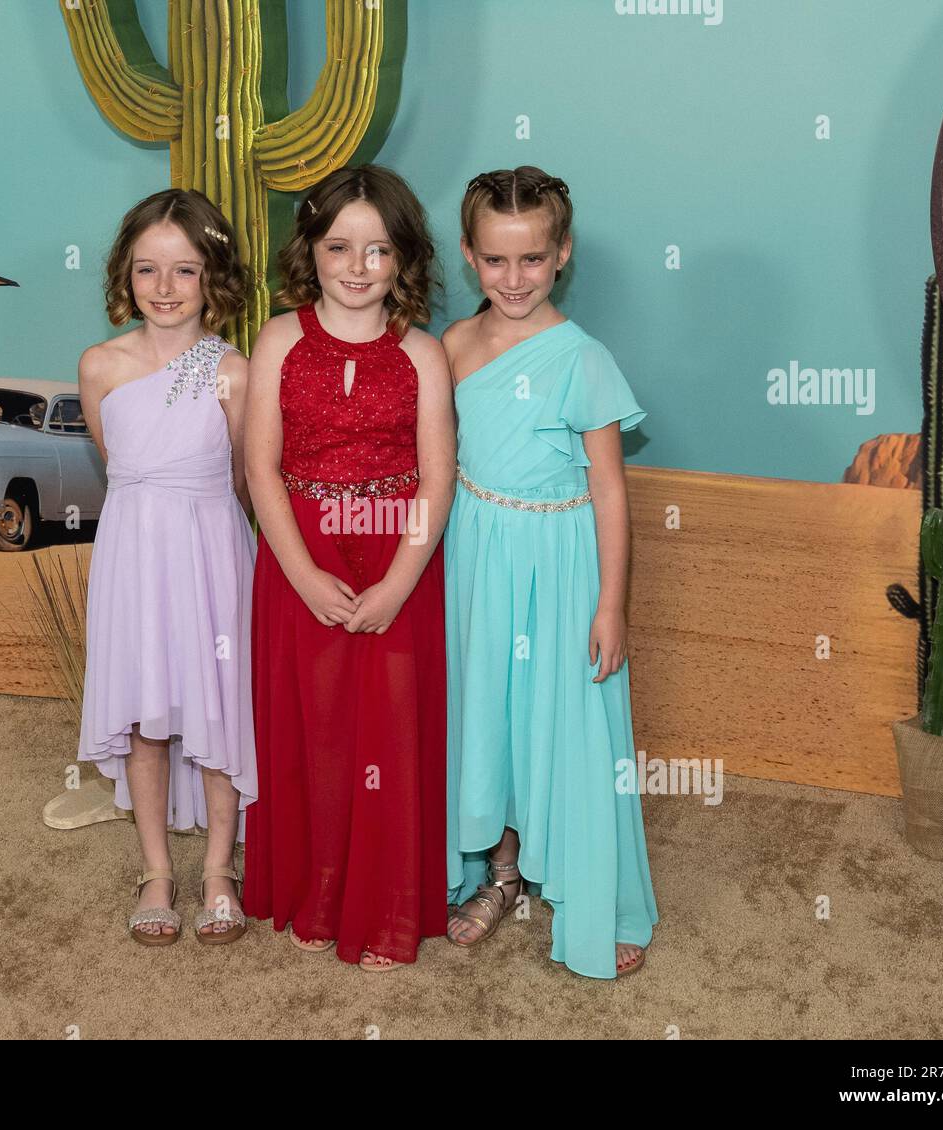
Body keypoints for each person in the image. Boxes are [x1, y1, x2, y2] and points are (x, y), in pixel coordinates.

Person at [443, 166, 659, 978]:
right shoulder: (454, 347)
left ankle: (597, 893)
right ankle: (498, 876)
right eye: (496, 261)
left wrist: (612, 604)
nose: (514, 279)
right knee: (487, 718)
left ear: (561, 254)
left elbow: (610, 487)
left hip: (562, 566)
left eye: (532, 260)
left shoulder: (584, 358)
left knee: (568, 726)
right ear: (469, 255)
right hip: (477, 555)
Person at [242, 165, 456, 971]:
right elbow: (260, 467)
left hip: (401, 554)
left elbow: (437, 479)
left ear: (404, 258)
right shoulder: (279, 338)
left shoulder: (424, 355)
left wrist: (401, 582)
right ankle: (319, 890)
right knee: (317, 730)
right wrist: (298, 573)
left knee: (389, 734)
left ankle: (385, 906)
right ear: (313, 250)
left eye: (378, 249)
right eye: (340, 246)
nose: (358, 266)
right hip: (303, 554)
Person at [77, 189, 256, 946]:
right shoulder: (100, 367)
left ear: (212, 277)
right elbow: (120, 465)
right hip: (133, 559)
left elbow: (246, 480)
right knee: (146, 719)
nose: (164, 287)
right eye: (148, 269)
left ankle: (219, 868)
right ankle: (157, 869)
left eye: (184, 270)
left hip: (212, 553)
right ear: (126, 273)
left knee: (214, 709)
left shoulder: (234, 372)